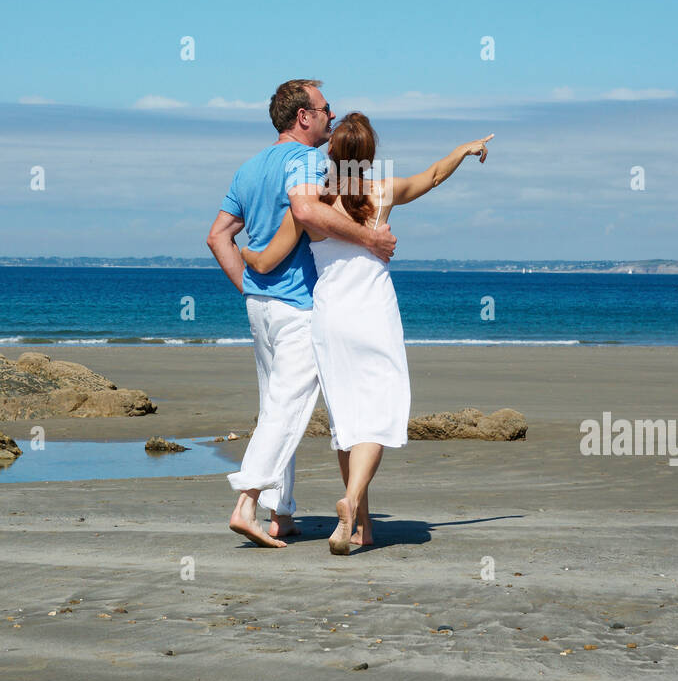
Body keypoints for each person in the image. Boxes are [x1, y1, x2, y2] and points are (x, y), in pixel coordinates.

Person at [242, 112, 493, 553]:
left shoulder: (316, 203)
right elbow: (433, 177)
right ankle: (353, 500)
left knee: (346, 420)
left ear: (331, 154)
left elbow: (265, 262)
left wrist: (239, 248)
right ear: (370, 156)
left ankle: (363, 526)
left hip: (329, 317)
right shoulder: (382, 192)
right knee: (375, 415)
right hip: (373, 314)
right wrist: (464, 150)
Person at [206, 80, 397, 549]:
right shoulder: (310, 161)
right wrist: (370, 238)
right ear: (303, 117)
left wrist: (252, 286)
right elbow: (306, 209)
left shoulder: (249, 168)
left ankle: (281, 514)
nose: (332, 118)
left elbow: (218, 237)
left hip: (260, 306)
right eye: (325, 109)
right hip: (298, 306)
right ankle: (246, 503)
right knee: (286, 410)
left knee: (275, 402)